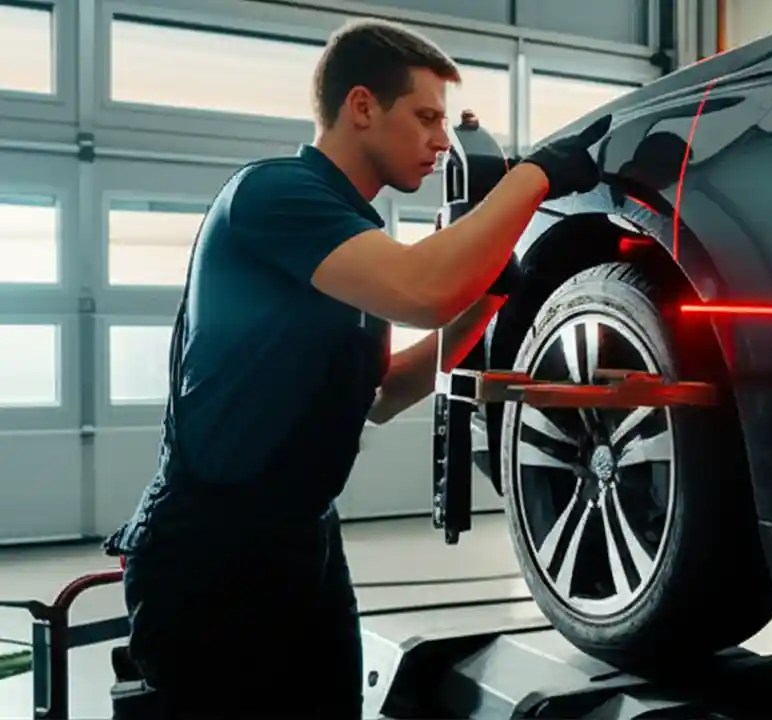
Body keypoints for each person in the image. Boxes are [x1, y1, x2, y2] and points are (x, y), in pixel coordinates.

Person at [101, 16, 611, 719]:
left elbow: (383, 392)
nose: (440, 140)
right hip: (209, 551)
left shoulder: (355, 234)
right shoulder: (273, 196)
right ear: (362, 106)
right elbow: (421, 291)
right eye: (425, 116)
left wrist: (487, 300)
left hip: (302, 542)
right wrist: (535, 175)